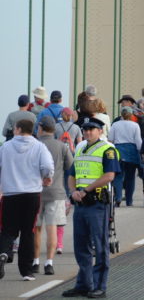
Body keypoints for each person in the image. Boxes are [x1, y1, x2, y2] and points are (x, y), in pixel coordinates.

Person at [63, 117, 119, 298]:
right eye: (85, 129)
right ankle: (84, 284)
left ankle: (100, 286)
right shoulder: (80, 150)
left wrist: (85, 190)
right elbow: (72, 174)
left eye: (91, 129)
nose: (87, 132)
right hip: (81, 202)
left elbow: (109, 175)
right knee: (81, 246)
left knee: (100, 246)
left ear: (100, 131)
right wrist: (73, 192)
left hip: (97, 203)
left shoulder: (107, 150)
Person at [0, 117, 54, 282]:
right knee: (27, 232)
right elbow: (47, 166)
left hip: (10, 194)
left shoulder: (6, 147)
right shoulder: (39, 146)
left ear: (17, 129)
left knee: (8, 229)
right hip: (31, 194)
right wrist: (47, 177)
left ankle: (3, 253)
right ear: (32, 130)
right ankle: (26, 271)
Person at [35, 116, 73, 276]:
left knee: (36, 229)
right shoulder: (62, 147)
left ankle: (35, 260)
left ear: (41, 128)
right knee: (52, 228)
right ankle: (49, 262)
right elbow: (71, 167)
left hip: (35, 192)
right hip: (56, 191)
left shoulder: (35, 146)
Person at [107, 106, 142, 207]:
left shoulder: (115, 124)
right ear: (131, 115)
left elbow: (110, 139)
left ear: (121, 114)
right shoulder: (135, 125)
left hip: (118, 151)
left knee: (118, 176)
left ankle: (118, 197)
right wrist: (140, 151)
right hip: (131, 151)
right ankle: (129, 200)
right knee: (130, 177)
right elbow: (138, 142)